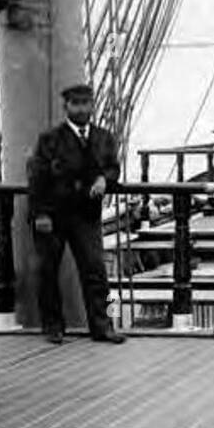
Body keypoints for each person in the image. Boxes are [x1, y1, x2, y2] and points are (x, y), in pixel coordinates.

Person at [26, 82, 126, 344]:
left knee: (96, 271)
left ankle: (103, 326)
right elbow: (37, 179)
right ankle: (53, 327)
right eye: (76, 104)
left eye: (85, 103)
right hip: (54, 215)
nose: (81, 109)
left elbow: (114, 167)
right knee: (48, 271)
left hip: (86, 215)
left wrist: (105, 179)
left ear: (92, 106)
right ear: (66, 107)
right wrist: (41, 215)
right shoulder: (50, 139)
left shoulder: (104, 138)